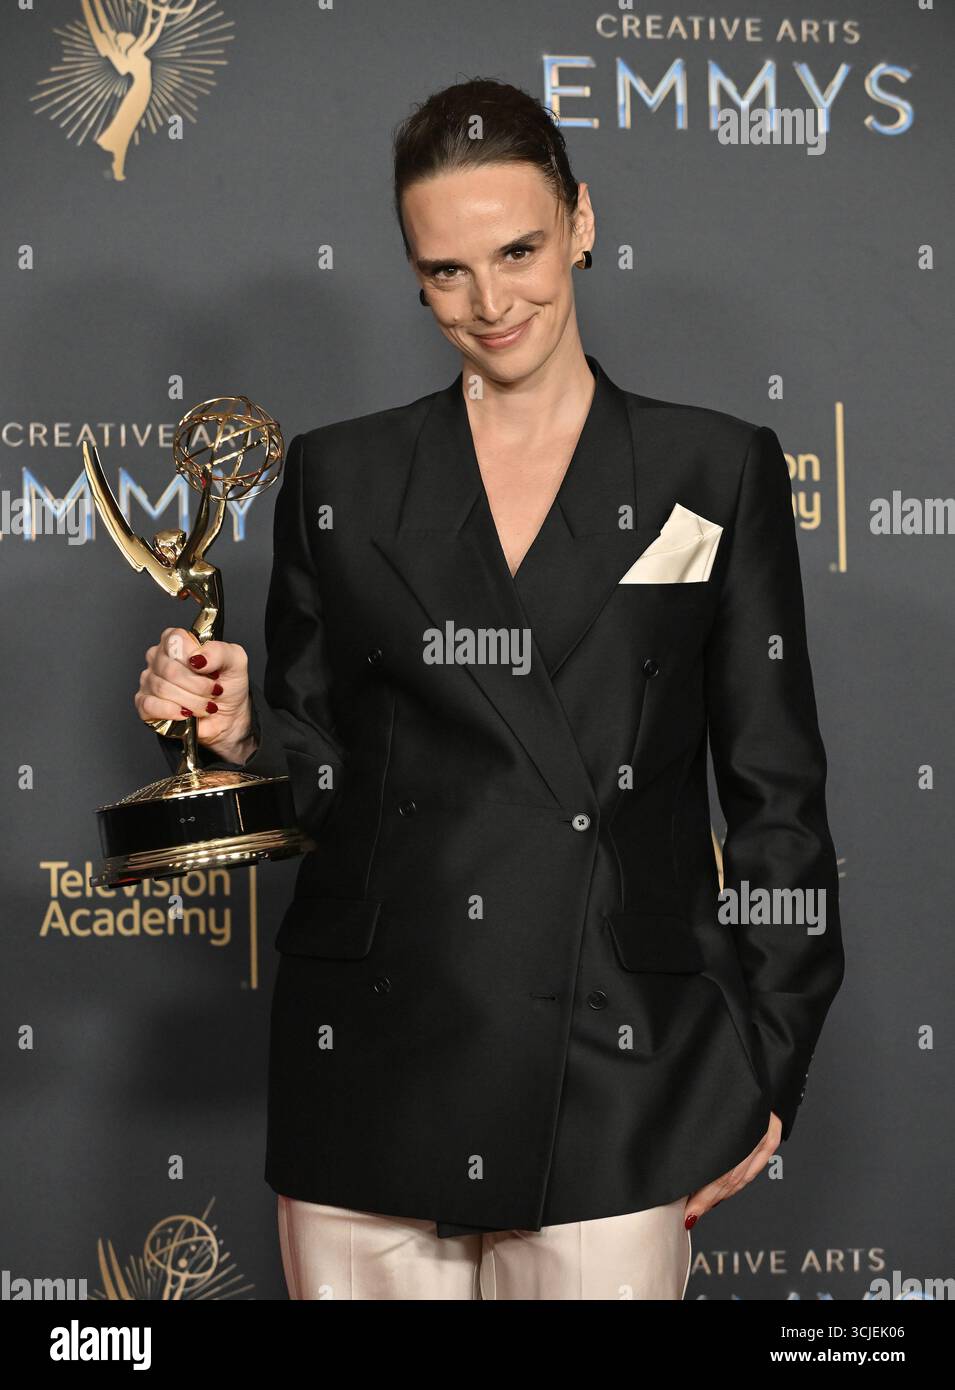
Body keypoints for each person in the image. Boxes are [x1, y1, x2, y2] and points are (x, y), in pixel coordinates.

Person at [140, 78, 845, 1300]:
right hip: (371, 1064)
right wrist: (240, 730)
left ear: (581, 221)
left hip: (619, 1067)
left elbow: (775, 794)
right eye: (447, 270)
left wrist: (765, 1064)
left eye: (517, 250)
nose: (490, 302)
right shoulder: (340, 477)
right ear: (414, 275)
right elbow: (321, 774)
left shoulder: (713, 466)